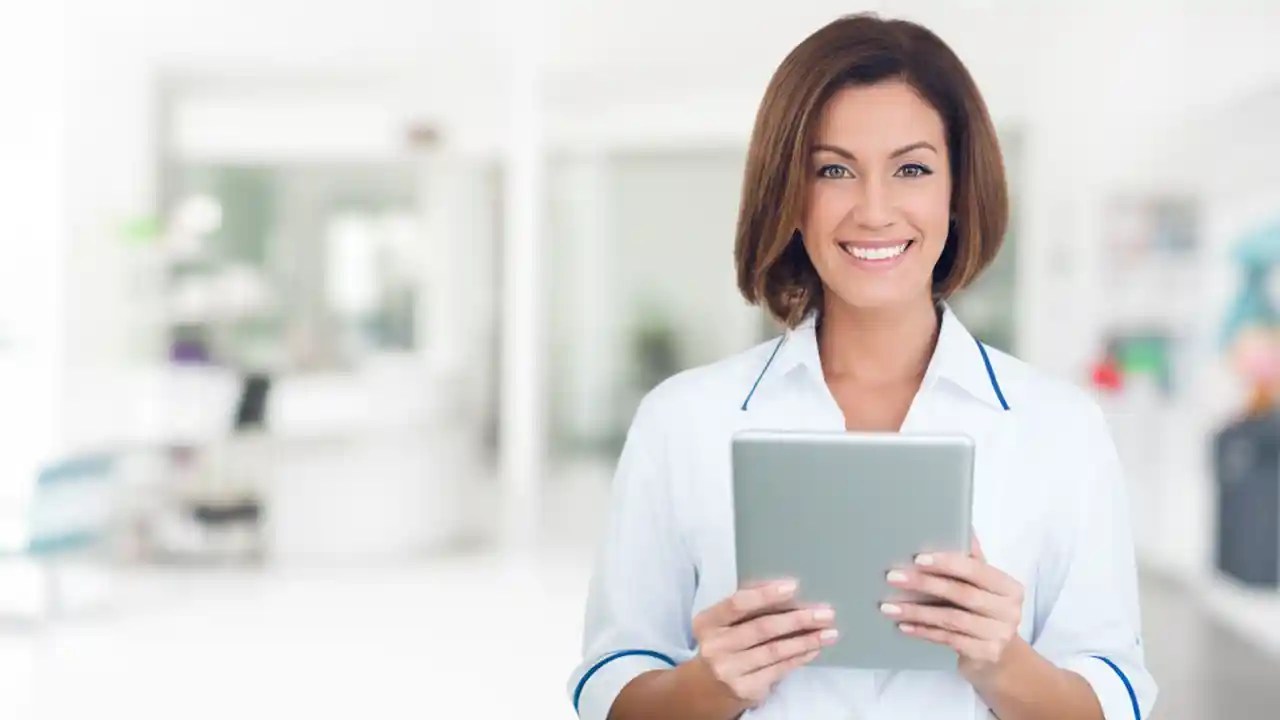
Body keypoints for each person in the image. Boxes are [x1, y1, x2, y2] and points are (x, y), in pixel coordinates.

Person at [567, 13, 1156, 720]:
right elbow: (612, 685)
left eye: (911, 168)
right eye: (833, 170)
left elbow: (1112, 696)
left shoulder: (1060, 428)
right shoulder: (683, 420)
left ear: (956, 189)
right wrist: (714, 683)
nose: (874, 210)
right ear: (789, 193)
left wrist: (1004, 663)